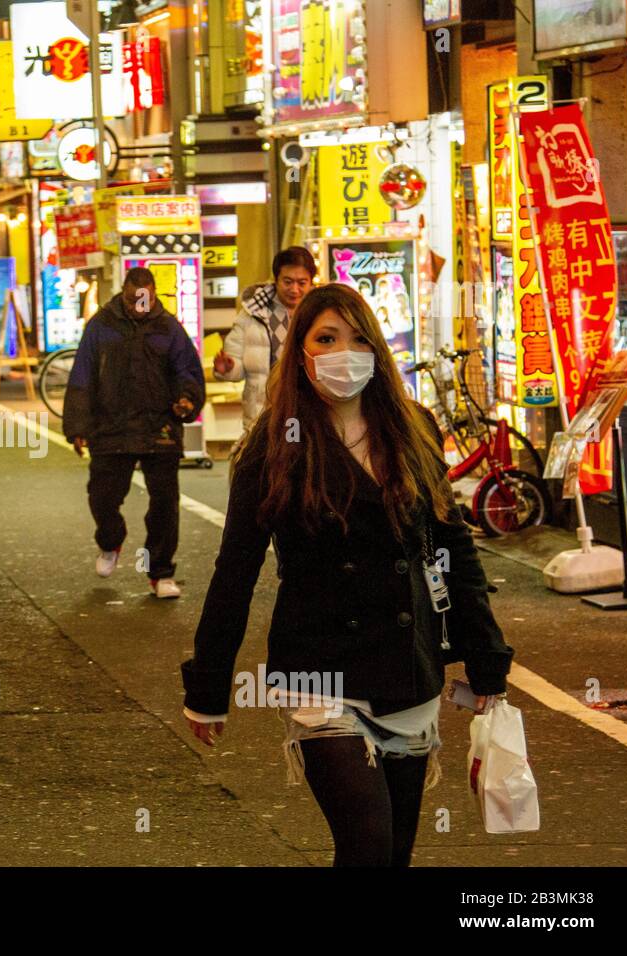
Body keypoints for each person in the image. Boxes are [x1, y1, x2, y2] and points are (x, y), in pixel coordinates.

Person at [181, 283, 514, 867]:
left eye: (359, 339)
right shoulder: (276, 442)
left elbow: (453, 546)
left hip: (408, 669)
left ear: (378, 350)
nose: (345, 352)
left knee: (395, 854)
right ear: (301, 351)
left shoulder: (413, 427)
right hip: (319, 672)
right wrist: (208, 689)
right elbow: (235, 567)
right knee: (366, 843)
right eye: (327, 338)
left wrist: (486, 659)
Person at [62, 267, 206, 599]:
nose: (139, 304)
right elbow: (82, 376)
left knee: (165, 503)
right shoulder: (101, 326)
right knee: (103, 496)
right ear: (124, 293)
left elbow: (188, 370)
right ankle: (111, 540)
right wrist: (78, 427)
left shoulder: (169, 328)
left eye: (146, 299)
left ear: (154, 295)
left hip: (160, 427)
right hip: (110, 427)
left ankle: (161, 571)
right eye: (133, 298)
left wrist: (187, 399)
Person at [213, 246, 316, 437]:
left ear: (311, 282)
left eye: (302, 282)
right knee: (266, 462)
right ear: (276, 279)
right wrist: (227, 368)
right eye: (288, 281)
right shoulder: (252, 314)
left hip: (309, 410)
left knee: (301, 459)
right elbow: (237, 367)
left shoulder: (320, 314)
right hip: (262, 411)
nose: (294, 289)